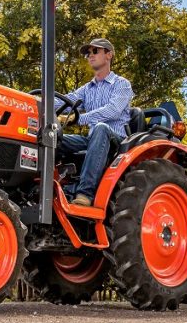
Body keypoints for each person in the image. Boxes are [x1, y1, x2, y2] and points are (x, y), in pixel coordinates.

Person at [56, 38, 133, 207]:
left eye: (95, 51)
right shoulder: (86, 89)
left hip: (116, 140)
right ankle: (46, 188)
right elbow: (66, 101)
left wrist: (78, 119)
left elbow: (112, 110)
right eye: (88, 53)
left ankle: (85, 193)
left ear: (109, 55)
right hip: (92, 140)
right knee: (53, 137)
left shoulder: (122, 85)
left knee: (100, 128)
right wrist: (34, 101)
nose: (90, 55)